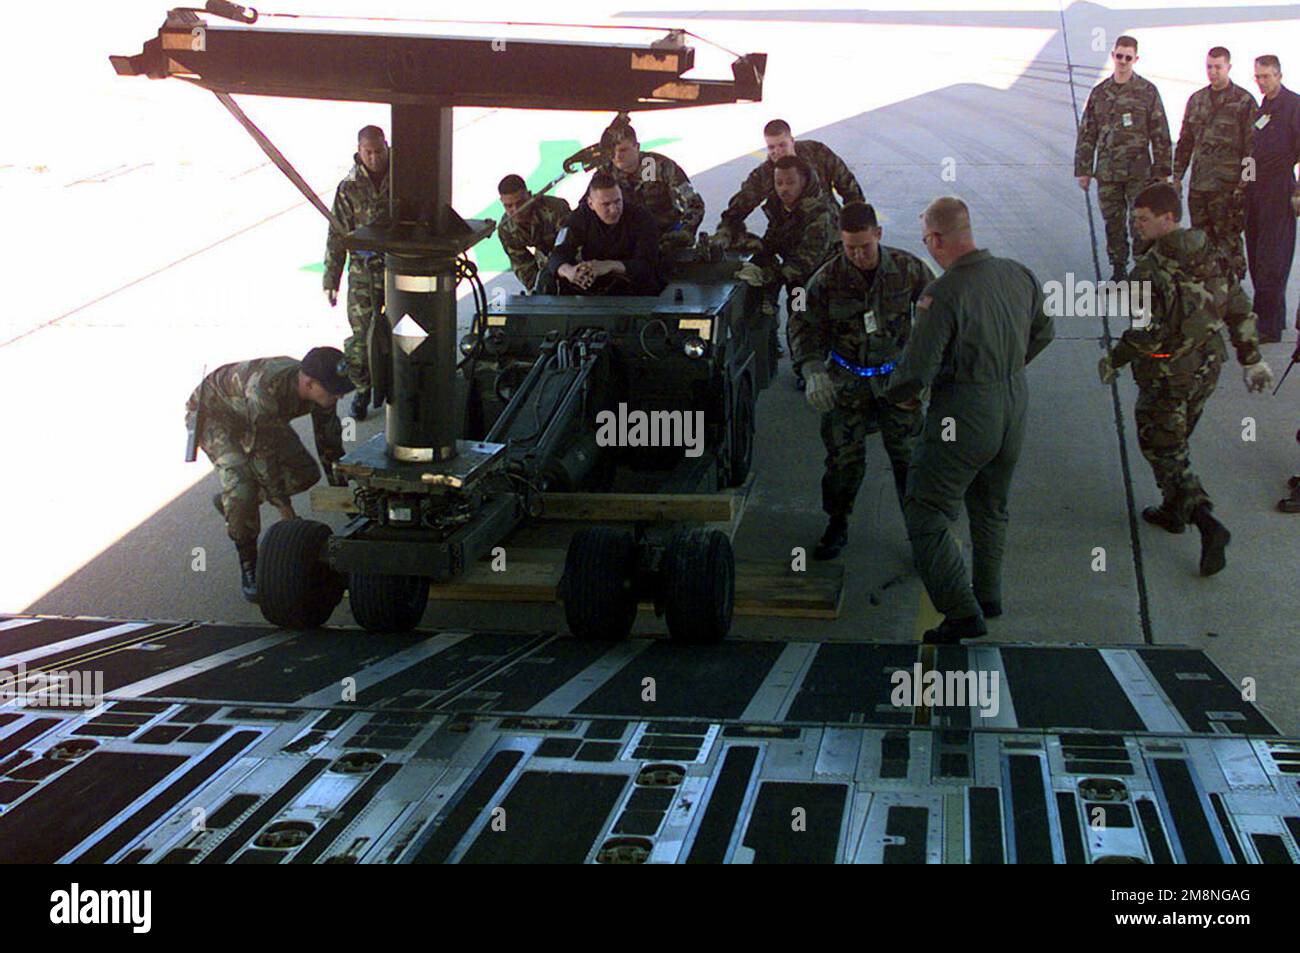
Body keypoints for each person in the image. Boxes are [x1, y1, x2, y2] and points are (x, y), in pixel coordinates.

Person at [883, 197, 1055, 644]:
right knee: (991, 503)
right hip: (1014, 404)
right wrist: (1008, 368)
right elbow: (1045, 332)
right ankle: (988, 595)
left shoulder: (943, 294)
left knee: (925, 509)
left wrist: (899, 398)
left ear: (937, 239)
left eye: (926, 241)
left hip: (964, 411)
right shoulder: (1018, 273)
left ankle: (960, 612)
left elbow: (917, 370)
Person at [1099, 184, 1273, 573]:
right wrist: (1251, 360)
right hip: (1207, 367)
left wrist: (1117, 358)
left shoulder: (1148, 270)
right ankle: (1173, 511)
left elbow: (1147, 334)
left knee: (1161, 446)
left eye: (1144, 219)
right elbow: (1239, 307)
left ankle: (1206, 521)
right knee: (1176, 441)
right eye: (1135, 219)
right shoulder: (1212, 252)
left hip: (1167, 373)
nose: (1137, 227)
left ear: (1169, 217)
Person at [792, 202, 934, 560]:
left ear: (878, 235)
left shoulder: (908, 269)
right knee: (843, 461)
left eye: (864, 246)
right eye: (849, 247)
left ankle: (922, 535)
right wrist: (812, 370)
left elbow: (939, 316)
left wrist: (928, 371)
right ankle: (837, 523)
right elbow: (802, 326)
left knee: (909, 462)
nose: (857, 254)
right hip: (847, 381)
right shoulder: (826, 280)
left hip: (897, 382)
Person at [186, 347, 353, 602]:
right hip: (215, 415)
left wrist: (346, 500)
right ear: (309, 383)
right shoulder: (266, 391)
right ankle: (248, 562)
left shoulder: (320, 390)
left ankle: (232, 504)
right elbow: (262, 456)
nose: (339, 395)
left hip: (257, 418)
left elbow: (329, 442)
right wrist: (285, 510)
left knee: (305, 473)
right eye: (333, 390)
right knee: (242, 487)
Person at [735, 154, 838, 389]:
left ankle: (820, 368)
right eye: (779, 182)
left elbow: (806, 261)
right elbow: (774, 239)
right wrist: (754, 255)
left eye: (790, 182)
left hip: (823, 278)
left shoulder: (819, 212)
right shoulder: (781, 208)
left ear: (803, 181)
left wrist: (768, 276)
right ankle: (805, 367)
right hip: (798, 280)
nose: (784, 189)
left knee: (815, 319)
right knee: (799, 315)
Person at [1075, 35, 1173, 280]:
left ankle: (1142, 269)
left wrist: (1163, 171)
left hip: (1138, 172)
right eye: (1119, 56)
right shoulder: (1100, 93)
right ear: (1113, 56)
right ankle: (1118, 268)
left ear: (1135, 59)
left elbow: (1160, 132)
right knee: (1113, 222)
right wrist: (1084, 170)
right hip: (1108, 172)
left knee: (1139, 221)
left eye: (1128, 57)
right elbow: (1088, 132)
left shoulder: (1147, 92)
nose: (1123, 61)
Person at [1172, 47, 1257, 282]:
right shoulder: (1196, 100)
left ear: (1228, 67)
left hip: (1228, 188)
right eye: (1209, 66)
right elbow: (1185, 141)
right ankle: (1207, 295)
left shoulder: (1244, 101)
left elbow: (1254, 146)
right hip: (1200, 186)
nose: (1213, 72)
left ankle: (1234, 293)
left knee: (1228, 243)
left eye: (1218, 67)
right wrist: (1177, 176)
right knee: (1201, 242)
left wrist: (1246, 182)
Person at [323, 125, 390, 421]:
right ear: (359, 151)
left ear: (386, 147)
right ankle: (363, 388)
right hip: (364, 273)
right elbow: (336, 234)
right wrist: (331, 278)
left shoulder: (405, 176)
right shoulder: (348, 187)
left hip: (397, 268)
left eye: (379, 151)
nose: (374, 158)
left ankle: (400, 387)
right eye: (368, 153)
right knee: (361, 342)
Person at [717, 118, 863, 247]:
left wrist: (857, 225)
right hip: (794, 240)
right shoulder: (764, 175)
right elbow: (739, 206)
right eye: (771, 147)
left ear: (792, 141)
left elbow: (849, 187)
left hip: (830, 232)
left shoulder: (816, 152)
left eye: (782, 145)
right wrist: (725, 232)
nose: (777, 152)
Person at [1244, 55, 1300, 342]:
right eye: (1258, 77)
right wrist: (1246, 182)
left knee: (1272, 259)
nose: (1262, 82)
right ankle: (1265, 315)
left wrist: (1298, 191)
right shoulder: (1261, 107)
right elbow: (1252, 151)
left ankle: (1270, 325)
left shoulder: (1294, 105)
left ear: (1279, 75)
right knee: (1254, 254)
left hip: (1279, 190)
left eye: (1267, 76)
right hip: (1256, 191)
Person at [547, 171, 662, 295]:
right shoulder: (580, 217)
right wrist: (569, 271)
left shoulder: (640, 217)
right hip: (593, 283)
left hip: (634, 285)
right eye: (605, 204)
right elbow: (558, 253)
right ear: (591, 204)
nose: (613, 210)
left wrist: (609, 266)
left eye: (617, 202)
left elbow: (648, 265)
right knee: (547, 278)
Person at [601, 122, 704, 254]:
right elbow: (589, 206)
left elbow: (694, 204)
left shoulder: (661, 166)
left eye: (623, 150)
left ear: (637, 147)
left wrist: (685, 233)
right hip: (624, 242)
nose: (617, 157)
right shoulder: (606, 171)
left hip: (666, 240)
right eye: (612, 152)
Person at [496, 174, 571, 292]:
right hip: (544, 258)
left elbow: (570, 244)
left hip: (568, 256)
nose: (515, 210)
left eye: (520, 203)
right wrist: (538, 289)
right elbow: (523, 266)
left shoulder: (555, 209)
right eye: (508, 206)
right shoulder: (506, 229)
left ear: (529, 196)